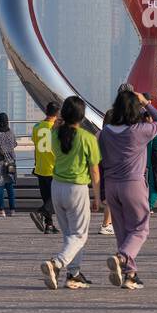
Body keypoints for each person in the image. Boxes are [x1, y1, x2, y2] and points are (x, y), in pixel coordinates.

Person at [98, 85, 157, 289]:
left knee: (122, 231)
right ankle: (122, 257)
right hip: (133, 184)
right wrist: (145, 104)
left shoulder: (105, 132)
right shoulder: (140, 131)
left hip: (111, 185)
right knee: (141, 228)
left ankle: (130, 275)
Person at [39, 96, 101, 290]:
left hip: (57, 187)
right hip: (77, 188)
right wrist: (97, 197)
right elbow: (94, 170)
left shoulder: (54, 134)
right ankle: (56, 263)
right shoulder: (87, 138)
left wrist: (58, 124)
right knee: (80, 235)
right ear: (82, 116)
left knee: (69, 235)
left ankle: (73, 274)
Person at [28, 100, 61, 234]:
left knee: (47, 197)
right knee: (57, 198)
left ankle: (49, 225)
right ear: (57, 113)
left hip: (41, 167)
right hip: (54, 168)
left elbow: (36, 145)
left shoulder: (37, 127)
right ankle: (39, 212)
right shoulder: (57, 128)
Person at [0, 112, 18, 218]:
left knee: (0, 184)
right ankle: (12, 210)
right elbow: (15, 144)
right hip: (10, 161)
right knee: (10, 185)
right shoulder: (11, 132)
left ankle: (1, 210)